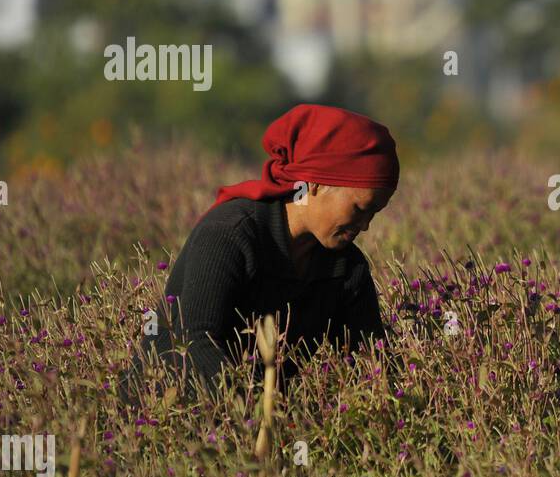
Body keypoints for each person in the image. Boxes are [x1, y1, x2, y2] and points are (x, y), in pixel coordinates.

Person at [119, 104, 399, 404]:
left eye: (375, 213)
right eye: (359, 208)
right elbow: (194, 343)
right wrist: (263, 411)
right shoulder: (230, 233)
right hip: (161, 418)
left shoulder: (347, 268)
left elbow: (373, 363)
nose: (366, 225)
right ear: (315, 182)